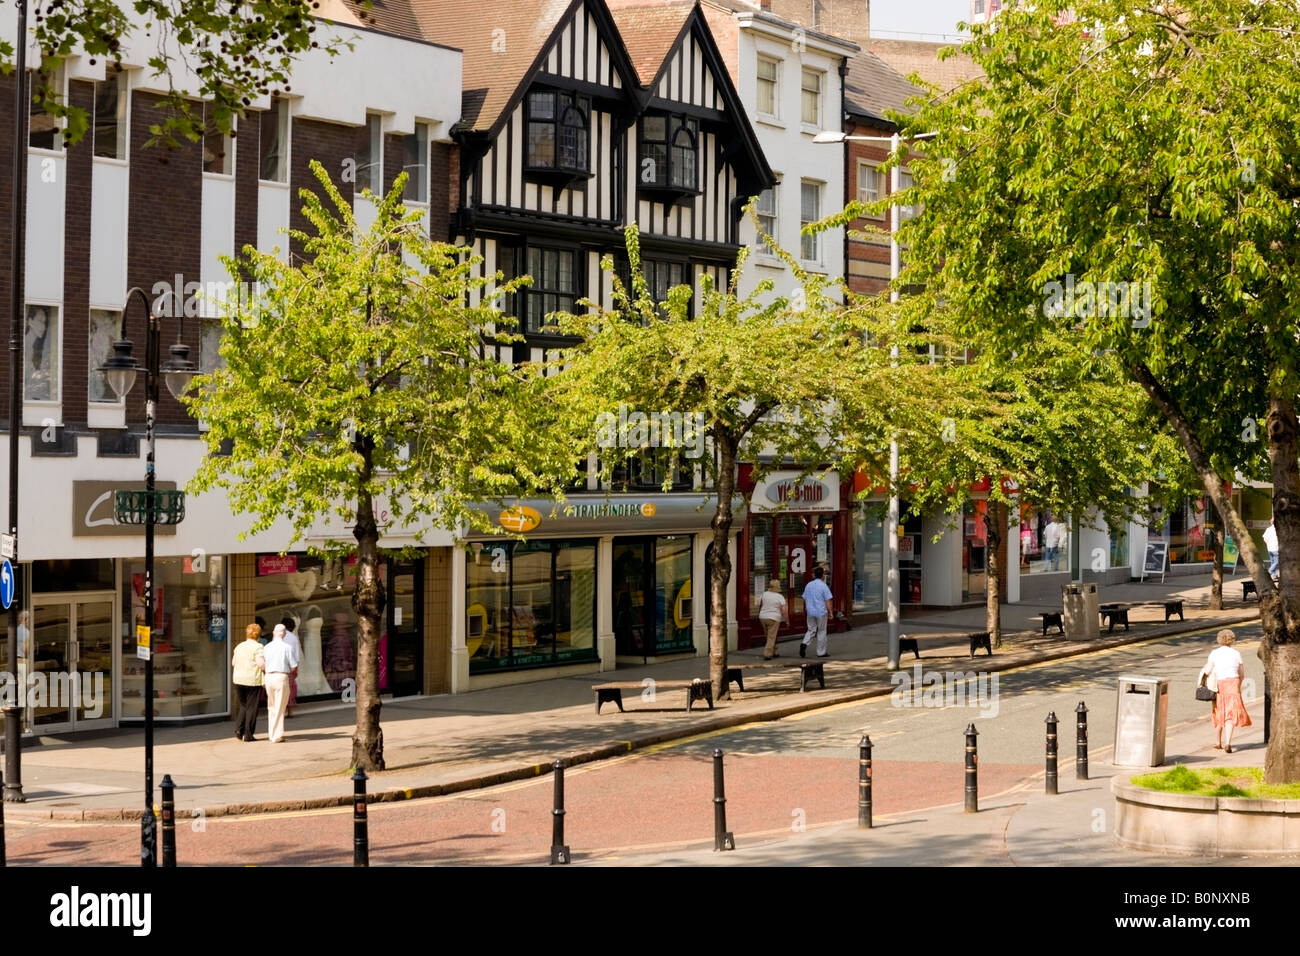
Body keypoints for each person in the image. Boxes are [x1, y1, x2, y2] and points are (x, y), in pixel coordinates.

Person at [1198, 628, 1252, 753]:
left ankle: (1218, 742)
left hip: (1219, 684)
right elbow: (1241, 674)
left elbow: (1208, 671)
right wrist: (1238, 686)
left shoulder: (1214, 653)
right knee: (1231, 713)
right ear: (1231, 640)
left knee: (1219, 710)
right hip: (1233, 683)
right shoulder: (1236, 653)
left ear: (1219, 640)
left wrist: (1204, 672)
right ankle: (1228, 742)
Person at [257, 623, 299, 743]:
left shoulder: (267, 647)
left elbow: (262, 663)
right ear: (284, 634)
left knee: (271, 706)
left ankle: (272, 733)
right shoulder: (287, 647)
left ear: (273, 633)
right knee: (280, 706)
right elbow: (294, 666)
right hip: (281, 676)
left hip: (269, 676)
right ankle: (277, 735)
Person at [231, 622, 265, 741]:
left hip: (238, 679)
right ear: (258, 635)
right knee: (252, 707)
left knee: (243, 705)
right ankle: (248, 734)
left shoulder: (239, 646)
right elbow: (261, 664)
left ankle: (238, 729)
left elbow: (233, 663)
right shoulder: (258, 647)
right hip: (252, 680)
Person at [800, 567, 834, 658]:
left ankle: (804, 643)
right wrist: (830, 612)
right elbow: (828, 600)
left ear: (814, 575)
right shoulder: (823, 586)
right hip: (821, 612)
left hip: (810, 611)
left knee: (811, 629)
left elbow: (804, 598)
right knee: (821, 631)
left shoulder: (809, 585)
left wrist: (807, 607)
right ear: (823, 575)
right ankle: (821, 652)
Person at [758, 580, 789, 661]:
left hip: (763, 617)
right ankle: (767, 654)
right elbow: (784, 610)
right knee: (771, 636)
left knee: (769, 635)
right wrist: (787, 620)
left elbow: (760, 605)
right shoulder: (779, 597)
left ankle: (774, 651)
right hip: (774, 618)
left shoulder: (764, 594)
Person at [281, 616, 301, 717]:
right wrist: (296, 667)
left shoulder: (278, 637)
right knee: (290, 688)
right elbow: (296, 654)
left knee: (281, 689)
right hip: (290, 665)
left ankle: (281, 711)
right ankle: (290, 711)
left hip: (279, 665)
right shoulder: (293, 637)